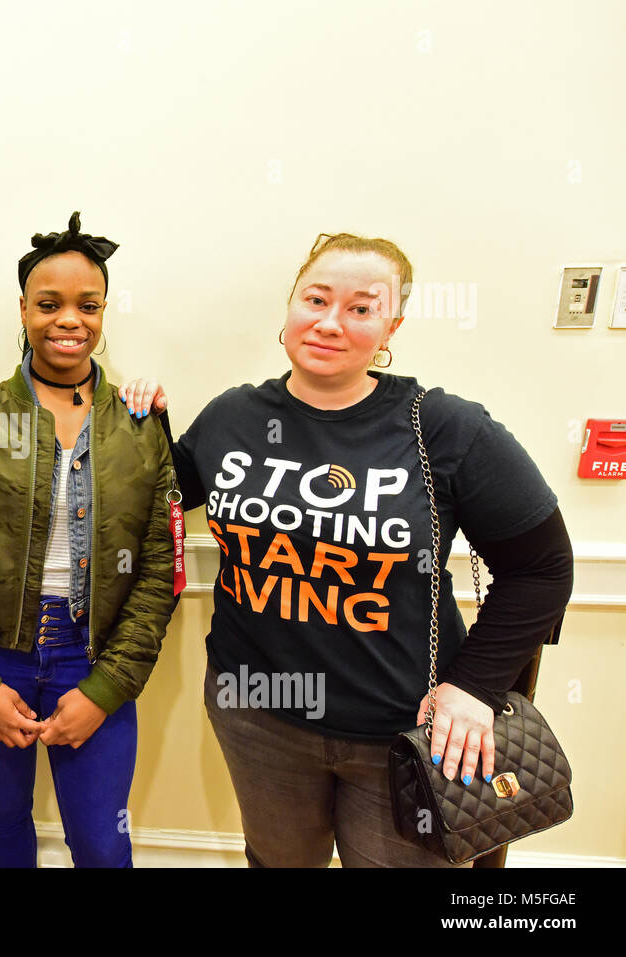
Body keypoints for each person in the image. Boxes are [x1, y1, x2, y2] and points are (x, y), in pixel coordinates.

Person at [121, 232, 574, 867]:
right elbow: (155, 499)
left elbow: (542, 569)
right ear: (290, 307)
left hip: (405, 730)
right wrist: (140, 421)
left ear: (392, 324)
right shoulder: (234, 417)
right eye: (316, 299)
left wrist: (472, 689)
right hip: (257, 715)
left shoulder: (445, 427)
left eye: (361, 308)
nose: (331, 322)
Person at [0, 212, 180, 867]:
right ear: (23, 309)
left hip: (92, 655)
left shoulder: (139, 423)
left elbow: (161, 569)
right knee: (5, 819)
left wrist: (104, 689)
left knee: (101, 841)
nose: (69, 320)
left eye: (87, 305)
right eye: (49, 304)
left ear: (104, 312)